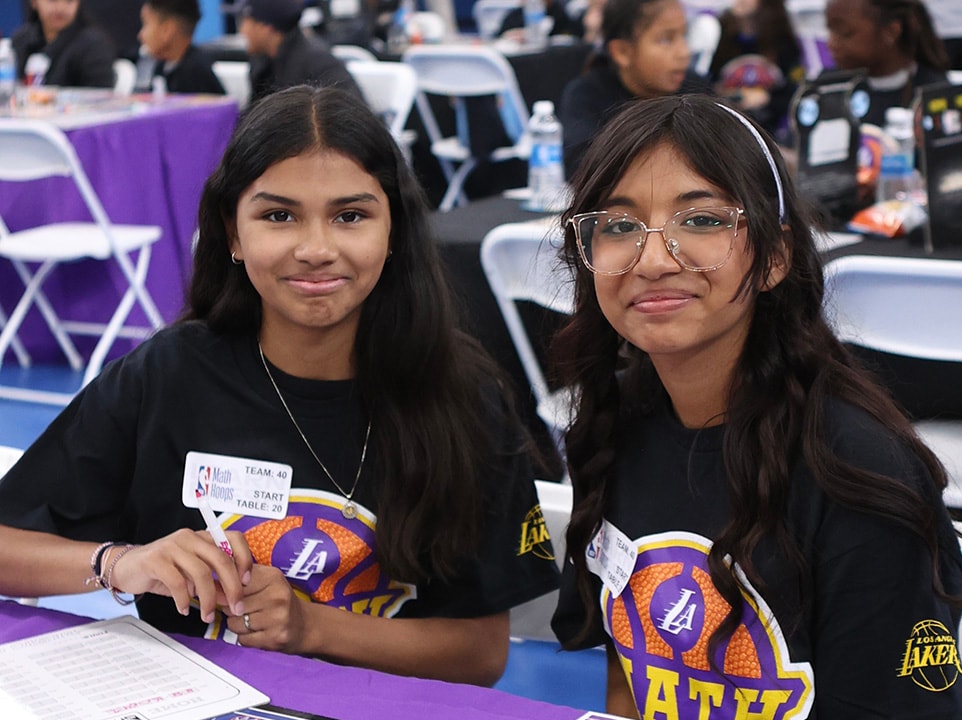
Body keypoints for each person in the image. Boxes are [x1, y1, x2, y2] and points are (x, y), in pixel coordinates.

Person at [549, 94, 962, 720]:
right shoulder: (616, 430)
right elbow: (629, 674)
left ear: (778, 256)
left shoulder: (857, 473)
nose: (654, 256)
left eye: (702, 219)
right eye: (619, 225)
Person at [0, 85, 559, 685]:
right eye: (278, 216)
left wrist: (309, 626)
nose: (315, 249)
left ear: (393, 229)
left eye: (350, 216)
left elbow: (479, 655)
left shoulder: (463, 396)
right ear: (233, 234)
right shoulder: (169, 375)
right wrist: (119, 563)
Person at [558, 0, 712, 178]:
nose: (684, 52)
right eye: (666, 39)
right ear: (622, 51)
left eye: (684, 36)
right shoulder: (587, 96)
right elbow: (582, 168)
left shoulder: (696, 89)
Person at [823, 0, 949, 126]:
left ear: (891, 31)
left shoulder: (934, 94)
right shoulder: (826, 88)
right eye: (830, 31)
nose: (831, 43)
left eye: (845, 33)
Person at [708, 0, 804, 140]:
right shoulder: (718, 32)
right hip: (724, 128)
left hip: (769, 131)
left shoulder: (783, 40)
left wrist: (767, 98)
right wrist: (727, 95)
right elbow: (705, 83)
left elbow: (795, 91)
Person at [238, 0, 360, 103]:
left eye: (247, 23)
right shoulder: (261, 63)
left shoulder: (319, 64)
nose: (242, 30)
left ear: (265, 28)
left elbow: (353, 119)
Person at [11, 0, 115, 87]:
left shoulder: (94, 45)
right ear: (34, 2)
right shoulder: (21, 40)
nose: (60, 8)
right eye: (52, 0)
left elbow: (100, 96)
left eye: (69, 1)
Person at [136, 0, 225, 95]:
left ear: (166, 30)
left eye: (146, 24)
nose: (140, 35)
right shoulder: (162, 66)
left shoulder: (195, 73)